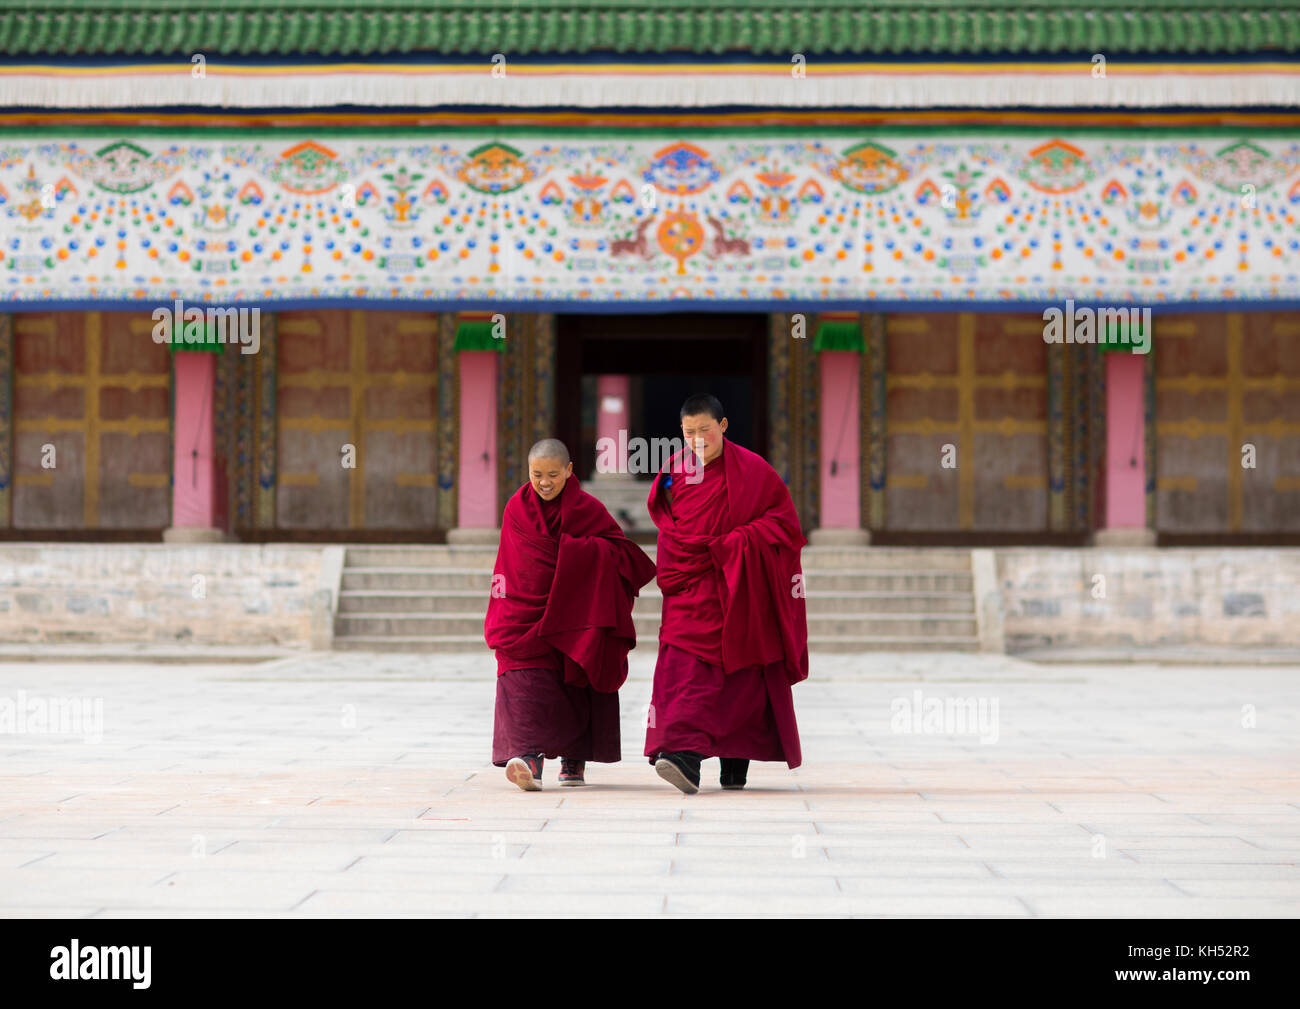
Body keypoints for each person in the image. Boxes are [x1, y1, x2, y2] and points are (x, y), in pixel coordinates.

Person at [644, 394, 808, 794]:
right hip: (690, 588)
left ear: (724, 426)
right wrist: (678, 565)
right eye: (689, 432)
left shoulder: (755, 470)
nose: (698, 439)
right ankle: (685, 755)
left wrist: (736, 544)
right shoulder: (672, 471)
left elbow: (784, 526)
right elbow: (666, 521)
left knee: (742, 675)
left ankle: (732, 759)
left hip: (739, 585)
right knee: (685, 672)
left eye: (705, 430)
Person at [485, 438, 657, 791]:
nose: (544, 482)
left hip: (576, 611)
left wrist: (575, 556)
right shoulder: (516, 509)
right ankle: (528, 758)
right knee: (526, 678)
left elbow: (620, 552)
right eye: (536, 474)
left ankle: (573, 758)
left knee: (578, 671)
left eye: (552, 474)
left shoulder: (587, 508)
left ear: (568, 471)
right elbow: (512, 563)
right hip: (525, 610)